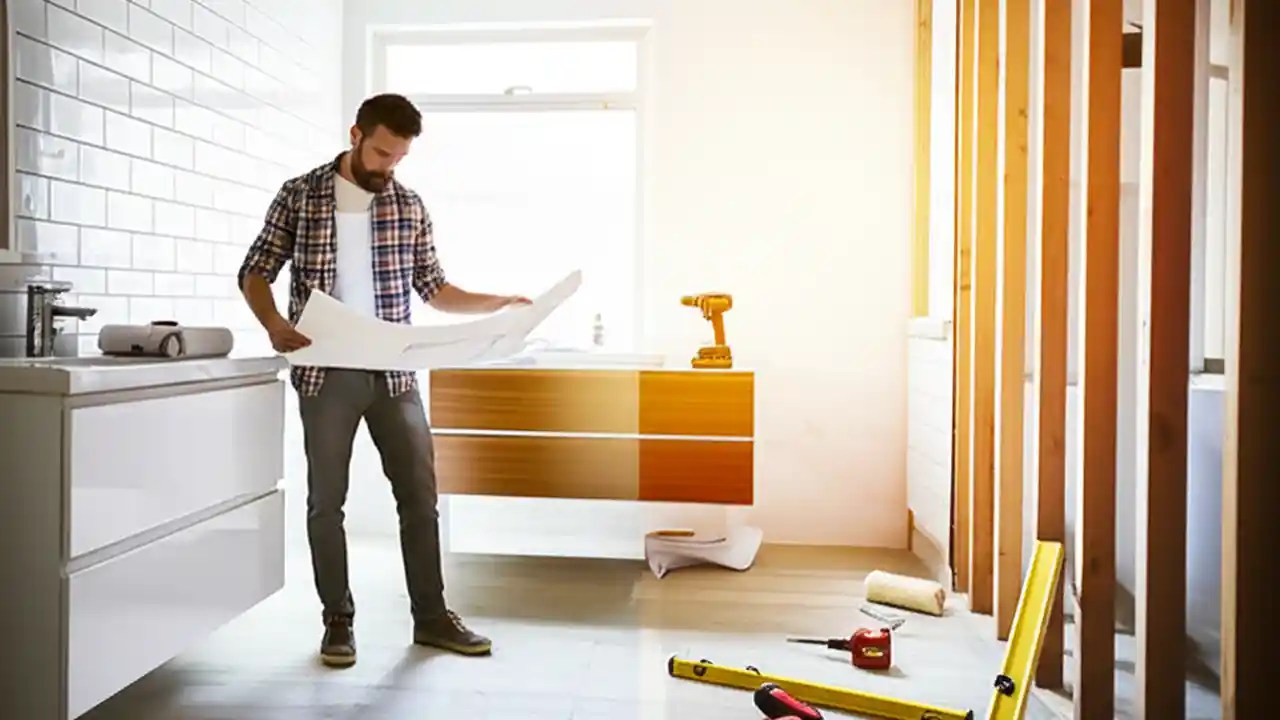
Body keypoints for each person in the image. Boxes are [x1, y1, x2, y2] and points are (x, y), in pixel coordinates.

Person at [237, 93, 531, 668]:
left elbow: (435, 290)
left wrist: (499, 303)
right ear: (355, 135)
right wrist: (274, 324)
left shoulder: (408, 205)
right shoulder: (300, 194)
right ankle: (338, 623)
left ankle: (432, 618)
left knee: (420, 498)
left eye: (399, 157)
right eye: (380, 152)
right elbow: (256, 271)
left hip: (396, 373)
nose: (388, 166)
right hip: (325, 371)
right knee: (328, 503)